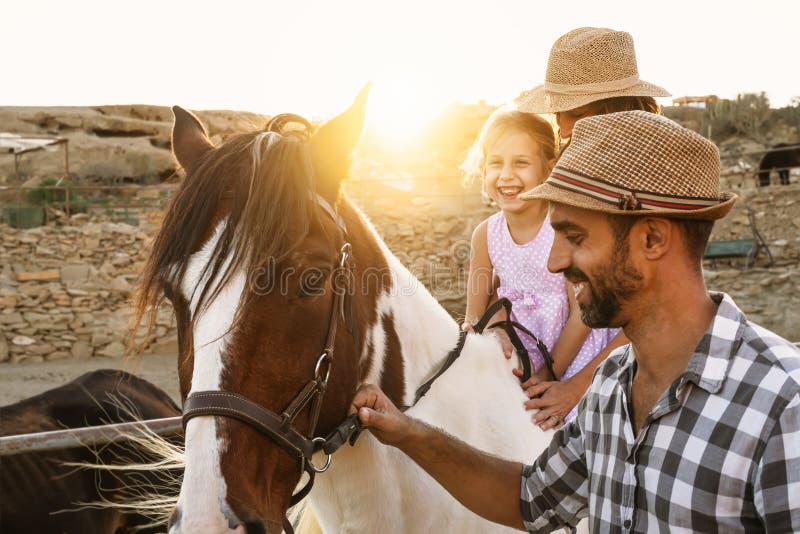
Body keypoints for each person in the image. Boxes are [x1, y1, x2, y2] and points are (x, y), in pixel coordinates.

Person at [350, 111, 800, 532]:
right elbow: (531, 498)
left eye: (575, 237)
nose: (553, 261)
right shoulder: (608, 388)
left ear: (652, 238)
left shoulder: (783, 408)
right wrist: (407, 431)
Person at [506, 26, 670, 430]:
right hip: (586, 355)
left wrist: (576, 386)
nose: (562, 130)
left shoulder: (650, 187)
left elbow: (652, 310)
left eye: (576, 116)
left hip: (641, 361)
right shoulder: (577, 176)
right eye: (558, 117)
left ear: (615, 110)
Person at [461, 109, 624, 427]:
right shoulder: (486, 235)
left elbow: (581, 317)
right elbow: (474, 314)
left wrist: (551, 373)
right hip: (519, 355)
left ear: (550, 169)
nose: (506, 175)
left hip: (570, 358)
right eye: (495, 163)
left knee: (563, 427)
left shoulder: (561, 227)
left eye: (521, 163)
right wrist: (492, 328)